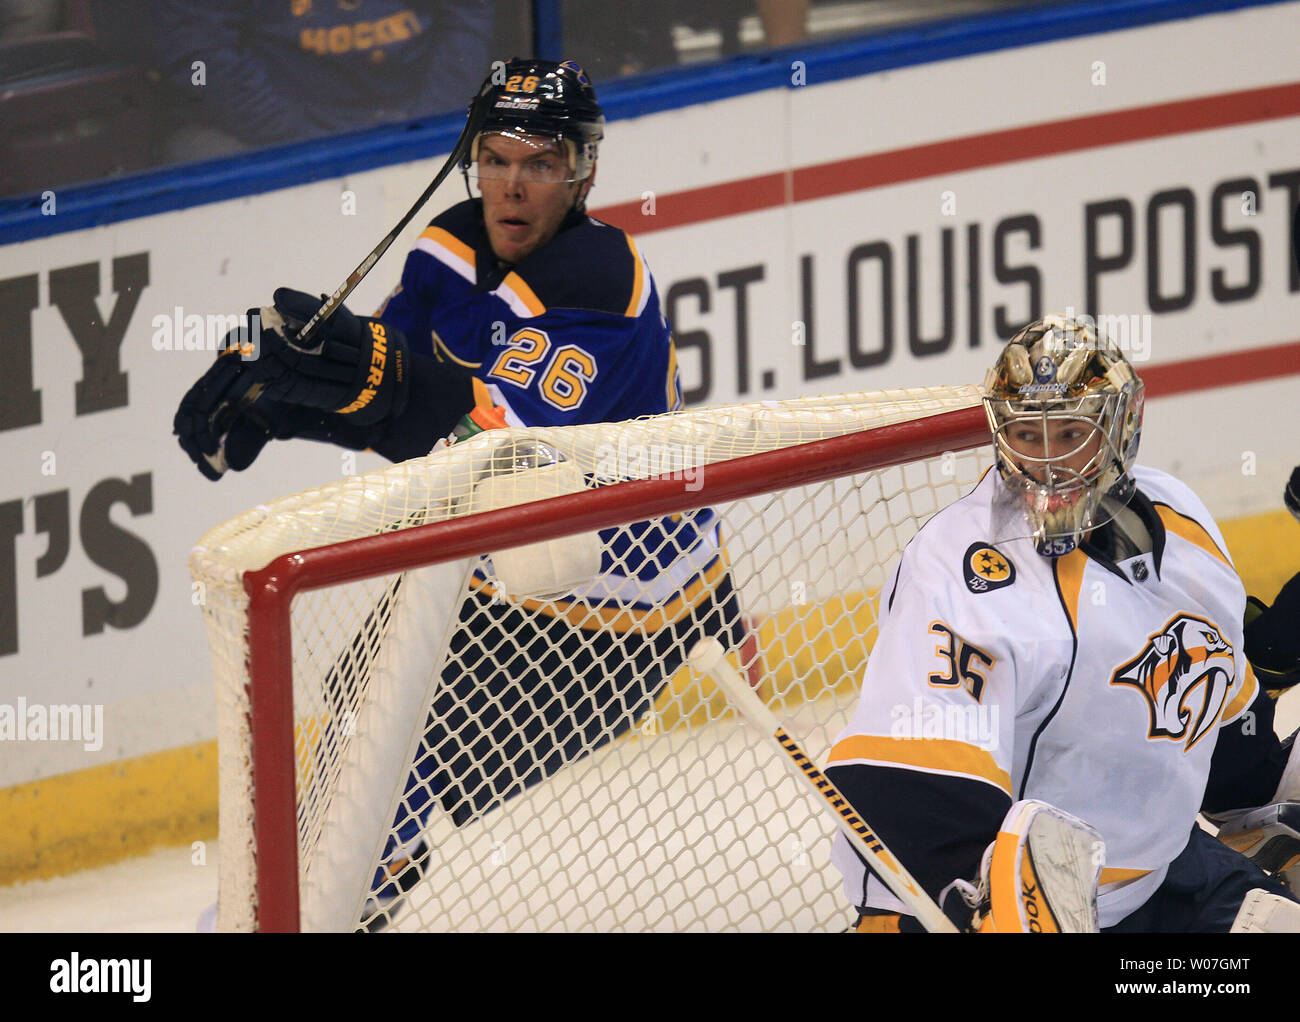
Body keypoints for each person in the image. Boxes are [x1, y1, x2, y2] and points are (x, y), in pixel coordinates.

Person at [174, 58, 740, 931]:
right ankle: (289, 913)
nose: (513, 186)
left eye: (541, 164)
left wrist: (363, 384)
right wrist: (282, 398)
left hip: (627, 607)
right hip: (507, 568)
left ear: (586, 171)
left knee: (387, 760)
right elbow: (383, 385)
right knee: (361, 720)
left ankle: (307, 913)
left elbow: (480, 450)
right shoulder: (447, 246)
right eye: (497, 158)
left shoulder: (603, 281)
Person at [824, 315, 1300, 933]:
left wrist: (1268, 782)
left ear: (1121, 427)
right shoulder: (963, 570)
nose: (1047, 464)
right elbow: (909, 789)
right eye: (1027, 435)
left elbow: (1218, 728)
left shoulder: (1181, 519)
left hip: (1161, 880)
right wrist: (972, 903)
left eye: (1070, 433)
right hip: (1013, 909)